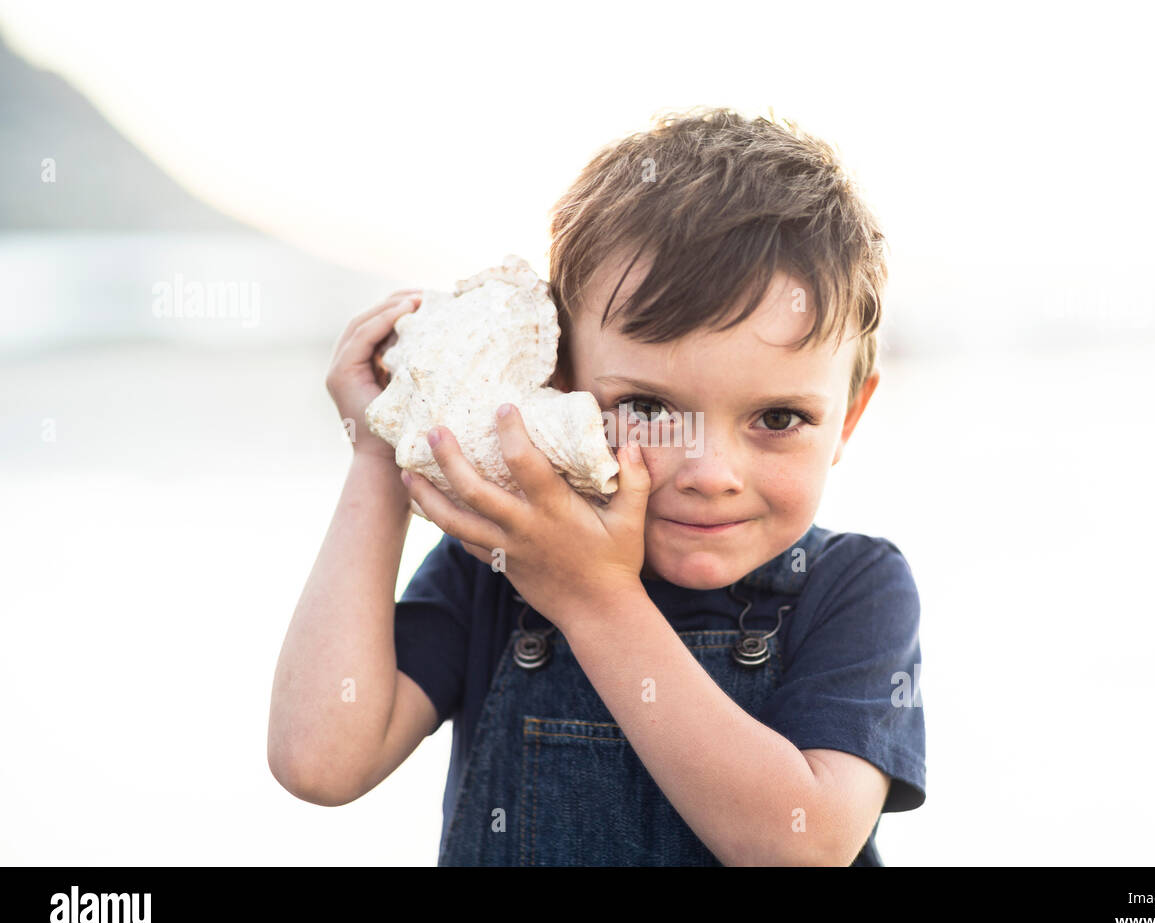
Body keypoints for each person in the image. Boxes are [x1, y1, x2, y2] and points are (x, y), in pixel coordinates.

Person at [268, 107, 925, 866]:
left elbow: (798, 844)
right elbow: (317, 760)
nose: (710, 474)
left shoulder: (851, 591)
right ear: (560, 387)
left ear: (848, 418)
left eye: (778, 417)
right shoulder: (497, 567)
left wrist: (592, 599)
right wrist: (384, 453)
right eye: (647, 408)